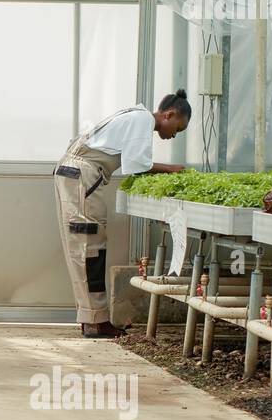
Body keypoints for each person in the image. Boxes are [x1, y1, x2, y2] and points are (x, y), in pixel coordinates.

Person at [54, 90, 191, 339]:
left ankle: (91, 318)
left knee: (85, 247)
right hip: (82, 176)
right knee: (89, 246)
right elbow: (136, 165)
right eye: (177, 129)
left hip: (76, 174)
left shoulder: (134, 115)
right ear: (169, 115)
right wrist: (170, 169)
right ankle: (97, 322)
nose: (172, 136)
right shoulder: (142, 120)